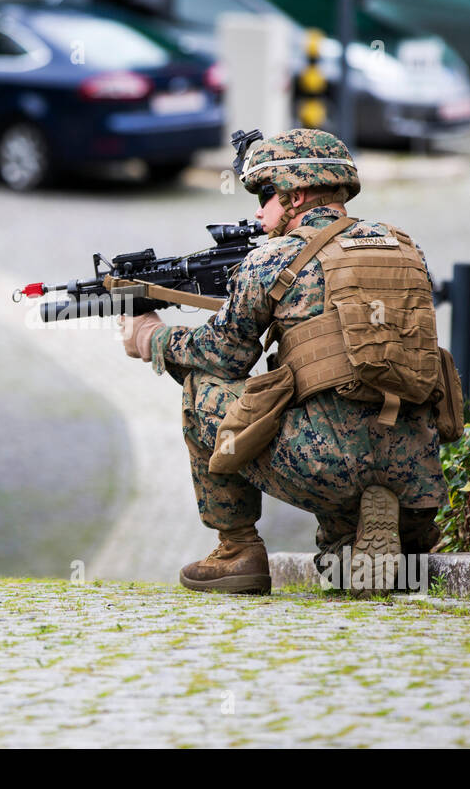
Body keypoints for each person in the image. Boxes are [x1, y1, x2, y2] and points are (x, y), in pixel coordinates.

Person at [118, 128, 446, 595]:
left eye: (266, 193)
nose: (258, 208)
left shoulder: (272, 259)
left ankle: (237, 550)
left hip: (327, 464)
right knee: (338, 566)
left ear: (298, 193)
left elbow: (223, 355)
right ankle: (390, 528)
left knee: (203, 388)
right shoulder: (405, 248)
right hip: (417, 469)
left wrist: (151, 337)